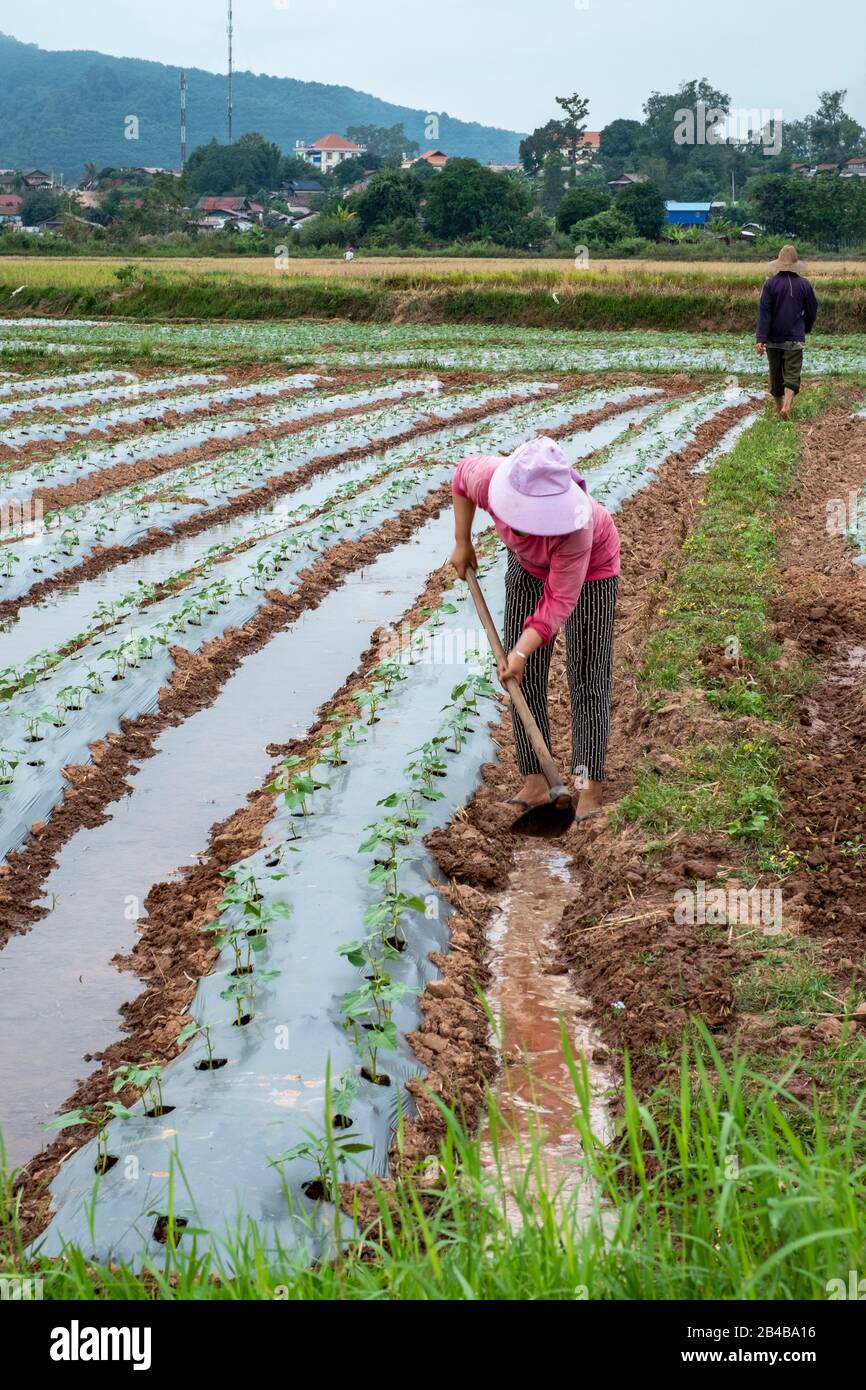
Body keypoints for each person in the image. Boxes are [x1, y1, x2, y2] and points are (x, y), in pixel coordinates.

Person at [450, 436, 620, 821]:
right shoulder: (491, 479)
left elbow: (559, 601)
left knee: (588, 675)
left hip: (591, 571)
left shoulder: (578, 528)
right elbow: (461, 478)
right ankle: (537, 780)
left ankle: (588, 782)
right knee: (520, 680)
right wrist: (462, 542)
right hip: (526, 568)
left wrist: (522, 650)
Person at [756, 245, 818, 419]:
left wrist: (761, 338)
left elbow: (764, 312)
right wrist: (806, 327)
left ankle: (779, 408)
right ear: (795, 264)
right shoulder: (804, 284)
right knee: (792, 372)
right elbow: (812, 310)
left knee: (775, 374)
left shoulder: (770, 284)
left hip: (774, 337)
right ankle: (787, 406)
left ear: (779, 263)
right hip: (795, 337)